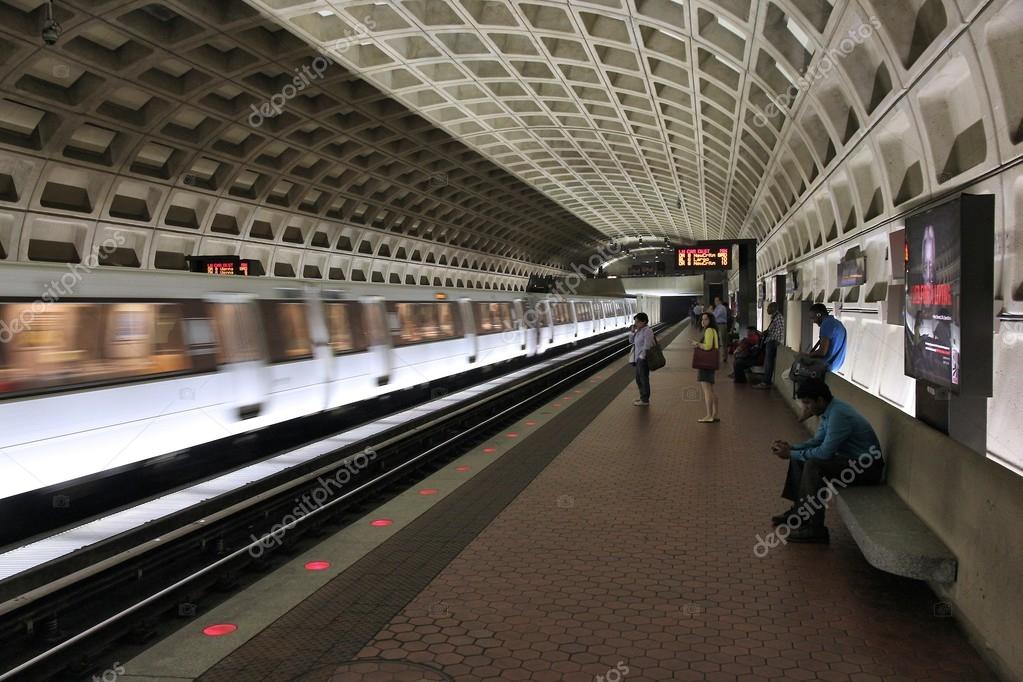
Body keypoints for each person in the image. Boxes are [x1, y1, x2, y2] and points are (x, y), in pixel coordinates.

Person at [770, 381, 885, 543]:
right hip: (851, 462)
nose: (806, 408)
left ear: (820, 400)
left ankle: (816, 528)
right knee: (800, 458)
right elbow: (818, 441)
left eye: (808, 403)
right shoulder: (829, 410)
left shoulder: (838, 415)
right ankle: (800, 513)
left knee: (813, 465)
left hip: (867, 469)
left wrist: (791, 453)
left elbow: (824, 454)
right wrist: (792, 448)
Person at [794, 303, 848, 419]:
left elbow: (822, 352)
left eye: (813, 318)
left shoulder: (826, 324)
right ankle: (807, 407)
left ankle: (806, 408)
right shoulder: (838, 324)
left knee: (793, 374)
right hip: (836, 365)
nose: (813, 321)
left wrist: (807, 355)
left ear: (819, 314)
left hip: (826, 365)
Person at [691, 312, 719, 423]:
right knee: (711, 390)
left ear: (710, 320)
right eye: (702, 319)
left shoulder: (708, 330)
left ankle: (709, 415)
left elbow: (708, 347)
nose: (703, 321)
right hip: (711, 363)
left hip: (705, 364)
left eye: (706, 319)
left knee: (707, 391)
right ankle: (715, 414)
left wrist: (697, 344)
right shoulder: (713, 330)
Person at [753, 302, 784, 390]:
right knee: (767, 362)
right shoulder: (774, 317)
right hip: (770, 341)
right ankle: (765, 380)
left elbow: (778, 332)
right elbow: (773, 330)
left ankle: (766, 382)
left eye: (768, 308)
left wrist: (774, 340)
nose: (767, 310)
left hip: (772, 342)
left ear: (773, 308)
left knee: (768, 362)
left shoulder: (778, 318)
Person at [628, 312, 655, 406]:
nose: (636, 323)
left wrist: (641, 357)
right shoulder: (639, 330)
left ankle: (645, 400)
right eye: (635, 321)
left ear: (644, 321)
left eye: (637, 321)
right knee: (638, 379)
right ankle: (642, 397)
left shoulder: (648, 331)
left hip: (642, 359)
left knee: (643, 379)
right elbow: (631, 341)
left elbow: (648, 345)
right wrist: (632, 331)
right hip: (637, 359)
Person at [712, 296, 729, 363]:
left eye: (716, 300)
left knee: (723, 341)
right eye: (715, 300)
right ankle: (718, 356)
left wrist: (711, 312)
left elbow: (715, 315)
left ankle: (724, 357)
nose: (715, 302)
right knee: (717, 341)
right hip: (717, 325)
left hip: (722, 325)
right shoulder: (717, 308)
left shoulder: (721, 308)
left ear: (720, 301)